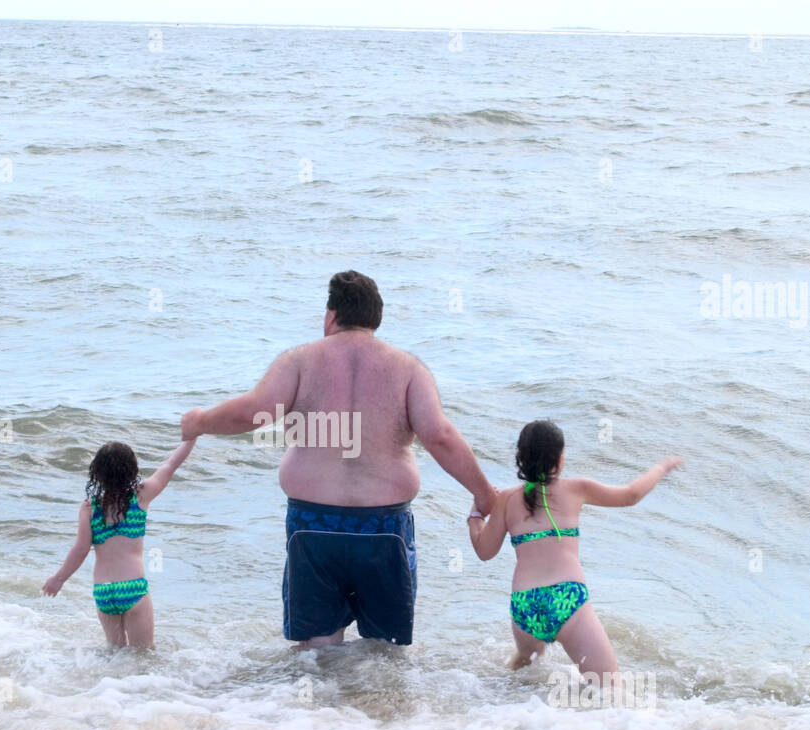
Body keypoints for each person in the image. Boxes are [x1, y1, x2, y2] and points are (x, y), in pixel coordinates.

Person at [181, 270, 496, 647]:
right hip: (383, 529)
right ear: (376, 317)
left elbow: (253, 411)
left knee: (317, 653)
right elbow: (440, 437)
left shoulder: (299, 361)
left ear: (331, 315)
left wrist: (199, 421)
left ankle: (315, 706)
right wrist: (483, 493)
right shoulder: (408, 369)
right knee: (384, 653)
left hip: (313, 526)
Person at [467, 418, 682, 681]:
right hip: (565, 597)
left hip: (525, 605)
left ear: (520, 459)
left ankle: (493, 716)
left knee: (520, 677)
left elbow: (484, 551)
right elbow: (631, 495)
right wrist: (662, 467)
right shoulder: (576, 489)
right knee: (610, 689)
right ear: (559, 459)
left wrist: (476, 516)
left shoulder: (506, 499)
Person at [42, 439, 195, 649]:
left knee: (115, 653)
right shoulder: (140, 497)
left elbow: (80, 550)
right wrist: (192, 437)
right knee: (144, 654)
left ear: (97, 474)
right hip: (132, 587)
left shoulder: (89, 508)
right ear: (131, 470)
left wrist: (58, 579)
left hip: (104, 591)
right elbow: (170, 465)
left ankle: (109, 683)